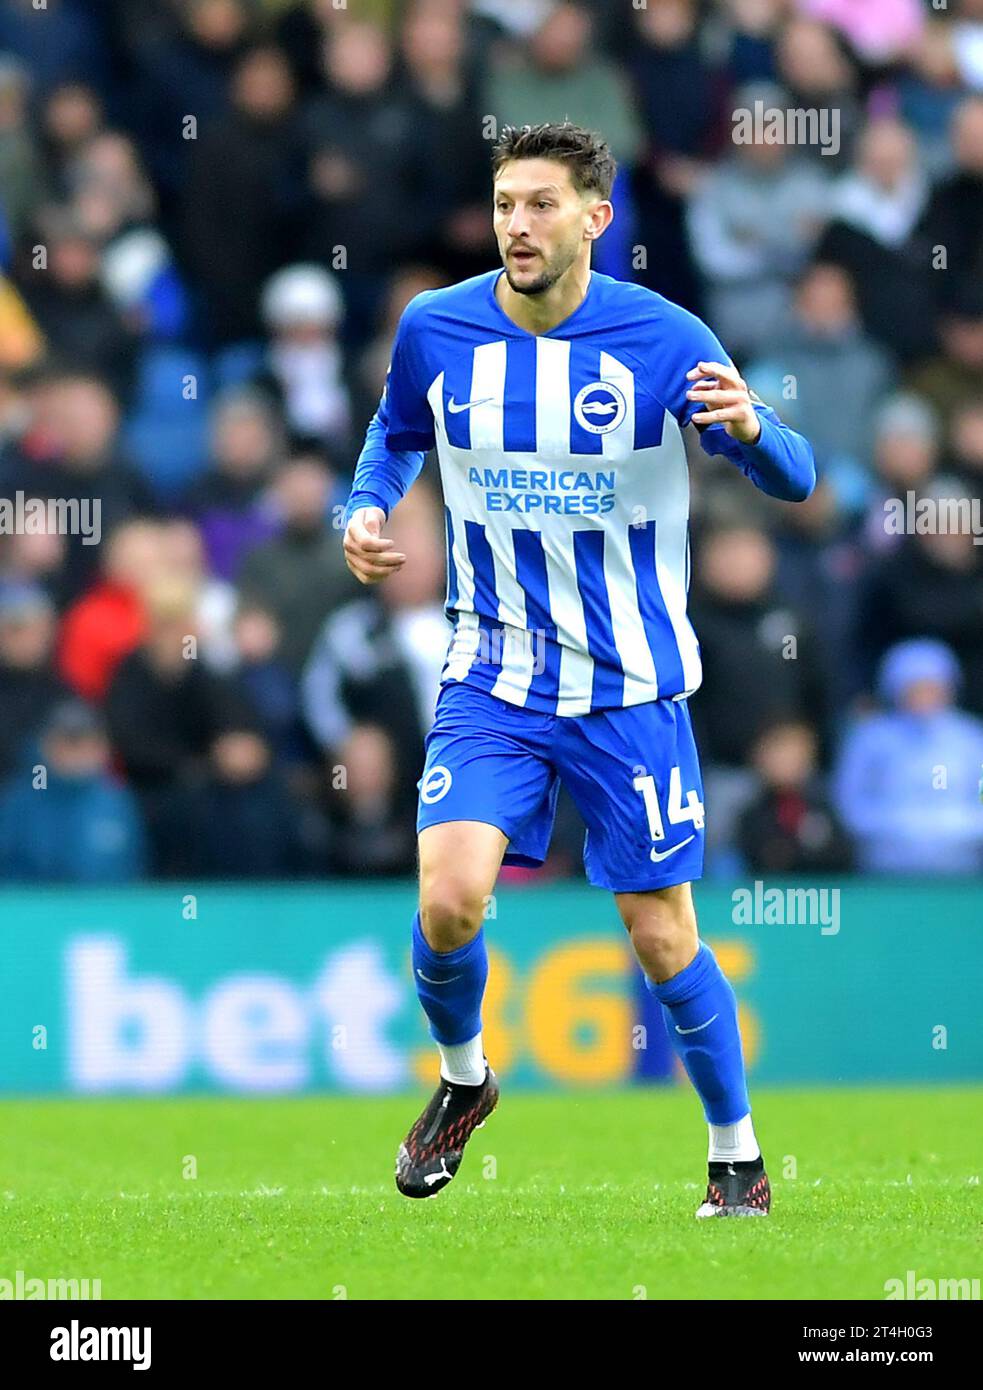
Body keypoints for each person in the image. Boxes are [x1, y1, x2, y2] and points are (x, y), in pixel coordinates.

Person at [341, 122, 815, 1217]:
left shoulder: (662, 337)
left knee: (659, 931)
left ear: (595, 219)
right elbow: (393, 431)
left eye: (542, 204)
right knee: (451, 900)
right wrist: (361, 506)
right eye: (507, 203)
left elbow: (789, 477)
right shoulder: (436, 326)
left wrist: (753, 427)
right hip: (492, 675)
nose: (518, 224)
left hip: (629, 685)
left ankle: (735, 1158)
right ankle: (463, 1083)